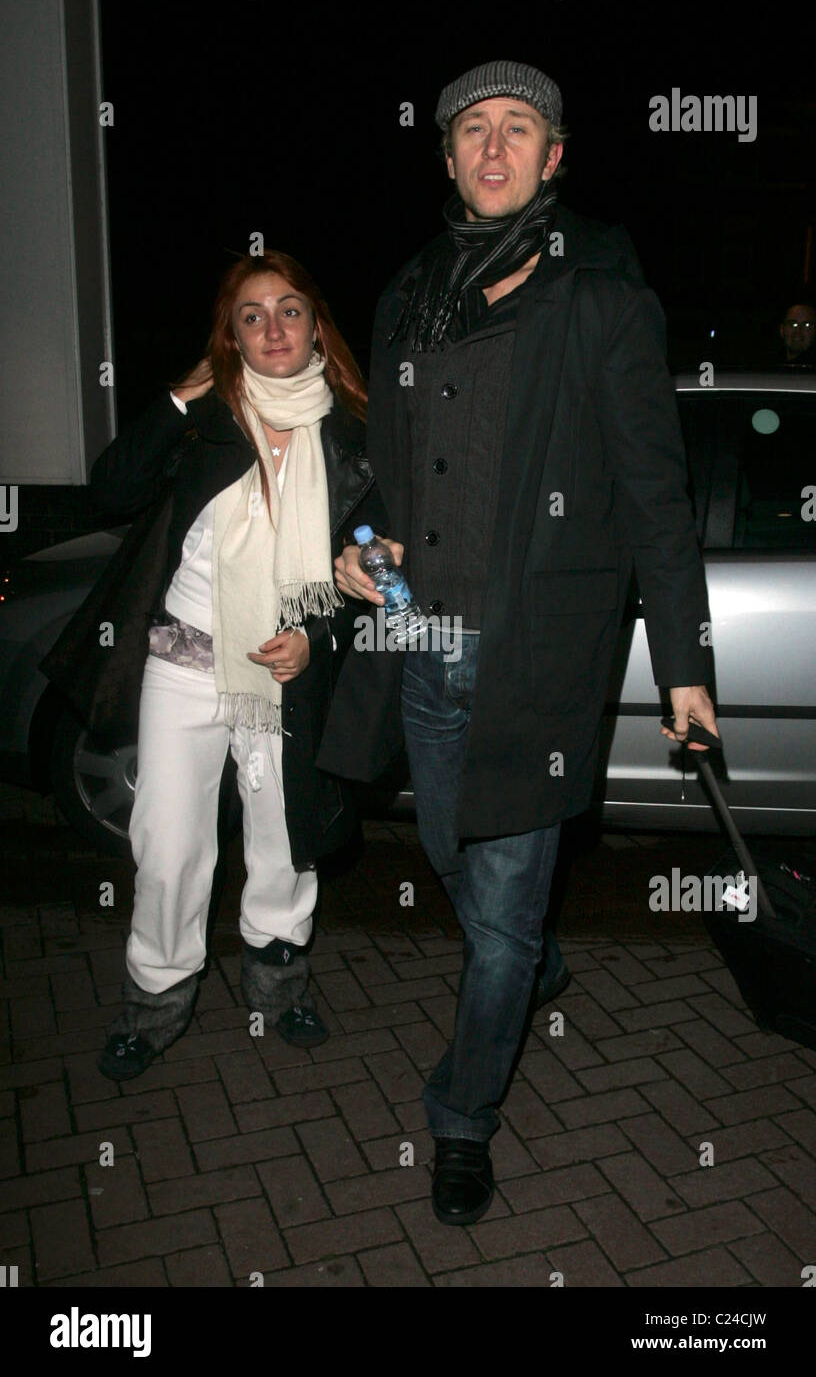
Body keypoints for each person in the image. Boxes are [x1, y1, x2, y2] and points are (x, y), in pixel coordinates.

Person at [317, 60, 719, 1226]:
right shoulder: (405, 299)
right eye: (473, 131)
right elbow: (383, 475)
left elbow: (655, 493)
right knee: (455, 861)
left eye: (520, 129)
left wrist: (684, 663)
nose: (495, 149)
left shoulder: (598, 295)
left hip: (533, 660)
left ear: (555, 157)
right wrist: (362, 542)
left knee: (492, 922)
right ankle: (531, 956)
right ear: (445, 157)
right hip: (419, 638)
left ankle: (460, 1117)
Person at [45, 250, 386, 1080]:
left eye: (290, 309)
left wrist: (319, 634)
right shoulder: (202, 419)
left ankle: (279, 982)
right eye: (252, 314)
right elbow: (110, 493)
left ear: (316, 325)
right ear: (229, 336)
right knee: (166, 840)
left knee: (281, 839)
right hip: (183, 660)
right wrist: (175, 398)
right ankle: (158, 993)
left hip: (285, 668)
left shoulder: (356, 434)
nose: (274, 326)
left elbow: (372, 564)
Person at [777, 301, 816, 365]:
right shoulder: (767, 366)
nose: (798, 331)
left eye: (806, 325)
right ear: (782, 330)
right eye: (793, 324)